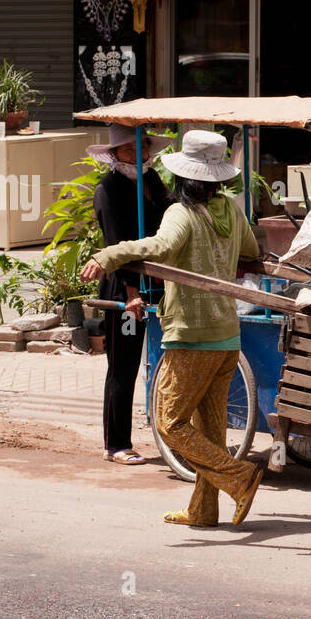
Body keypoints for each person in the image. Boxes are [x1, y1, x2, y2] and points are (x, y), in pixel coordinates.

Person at [81, 130, 265, 528]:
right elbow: (251, 251)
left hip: (192, 335)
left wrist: (109, 253)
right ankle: (203, 510)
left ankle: (238, 475)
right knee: (211, 429)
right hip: (227, 336)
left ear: (183, 175)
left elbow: (159, 248)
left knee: (169, 422)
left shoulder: (181, 213)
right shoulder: (232, 209)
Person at [87, 123, 174, 466]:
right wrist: (131, 294)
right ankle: (116, 444)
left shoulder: (152, 181)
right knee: (122, 366)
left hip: (157, 282)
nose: (139, 155)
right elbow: (116, 246)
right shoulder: (107, 190)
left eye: (144, 148)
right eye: (129, 150)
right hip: (124, 291)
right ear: (114, 155)